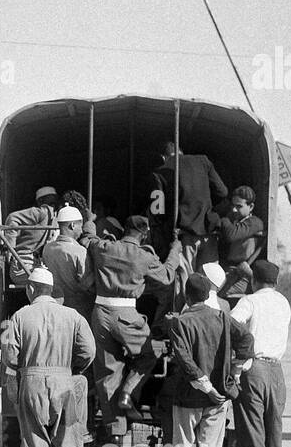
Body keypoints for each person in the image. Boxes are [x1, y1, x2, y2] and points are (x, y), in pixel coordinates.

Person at [0, 266, 105, 447]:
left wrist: (19, 371)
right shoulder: (73, 316)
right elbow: (89, 350)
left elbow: (10, 354)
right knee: (69, 445)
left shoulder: (21, 317)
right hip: (64, 382)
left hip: (31, 383)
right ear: (51, 290)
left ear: (31, 289)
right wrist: (73, 368)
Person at [161, 273, 254, 447]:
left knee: (184, 446)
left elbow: (184, 358)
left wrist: (204, 384)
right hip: (218, 398)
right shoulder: (223, 318)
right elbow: (247, 339)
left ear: (188, 296)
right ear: (208, 295)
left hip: (188, 396)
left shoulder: (181, 322)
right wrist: (234, 371)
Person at [79, 213, 181, 430]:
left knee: (107, 373)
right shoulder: (143, 256)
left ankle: (115, 430)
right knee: (152, 351)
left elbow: (87, 239)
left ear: (123, 230)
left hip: (100, 314)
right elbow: (167, 277)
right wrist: (175, 248)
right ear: (144, 235)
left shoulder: (104, 247)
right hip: (126, 314)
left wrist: (89, 221)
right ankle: (127, 392)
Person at [225, 260, 291, 447]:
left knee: (252, 433)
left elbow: (230, 323)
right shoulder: (284, 302)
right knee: (274, 433)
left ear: (254, 281)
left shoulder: (250, 301)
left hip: (253, 370)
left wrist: (241, 351)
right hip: (277, 371)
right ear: (275, 282)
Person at [150, 141, 228, 277]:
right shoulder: (203, 161)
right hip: (209, 231)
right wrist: (206, 206)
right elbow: (223, 192)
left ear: (163, 157)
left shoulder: (159, 172)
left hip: (184, 234)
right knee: (210, 278)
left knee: (184, 280)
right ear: (182, 152)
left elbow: (157, 210)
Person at [212, 186, 265, 299]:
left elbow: (232, 235)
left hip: (242, 275)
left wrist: (223, 219)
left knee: (219, 297)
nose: (234, 210)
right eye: (233, 205)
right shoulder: (234, 220)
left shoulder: (255, 222)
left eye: (239, 206)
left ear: (251, 207)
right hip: (228, 270)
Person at [1, 187, 60, 287]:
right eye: (51, 200)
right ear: (41, 201)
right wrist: (10, 246)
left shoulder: (53, 218)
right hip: (22, 266)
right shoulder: (42, 212)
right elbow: (13, 218)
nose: (53, 205)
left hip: (33, 265)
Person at [41, 205, 91, 316]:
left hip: (53, 307)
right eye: (80, 226)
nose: (81, 231)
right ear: (73, 225)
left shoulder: (47, 248)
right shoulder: (80, 251)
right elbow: (87, 284)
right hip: (76, 309)